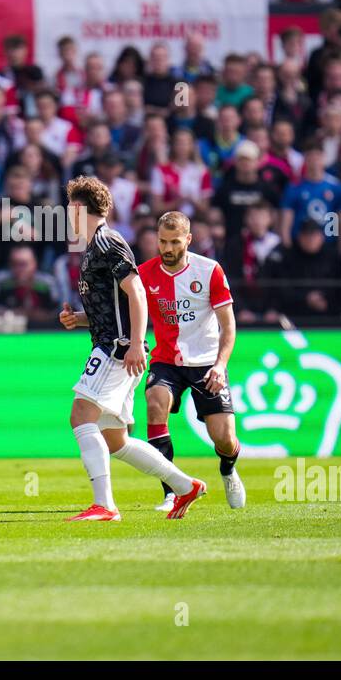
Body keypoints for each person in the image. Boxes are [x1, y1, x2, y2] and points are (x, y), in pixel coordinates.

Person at [55, 175, 205, 522]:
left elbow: (137, 294)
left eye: (70, 209)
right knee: (115, 440)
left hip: (116, 349)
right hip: (115, 343)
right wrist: (78, 318)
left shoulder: (107, 241)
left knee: (80, 416)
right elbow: (114, 306)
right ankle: (185, 486)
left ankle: (104, 505)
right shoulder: (95, 246)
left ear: (81, 209)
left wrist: (136, 343)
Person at [136, 211, 244, 513]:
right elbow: (122, 311)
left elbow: (229, 325)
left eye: (174, 242)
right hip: (166, 360)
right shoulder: (144, 273)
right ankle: (172, 492)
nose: (167, 249)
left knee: (223, 438)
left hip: (206, 362)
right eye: (162, 242)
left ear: (189, 239)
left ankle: (228, 469)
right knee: (155, 404)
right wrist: (79, 317)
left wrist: (220, 366)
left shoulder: (209, 271)